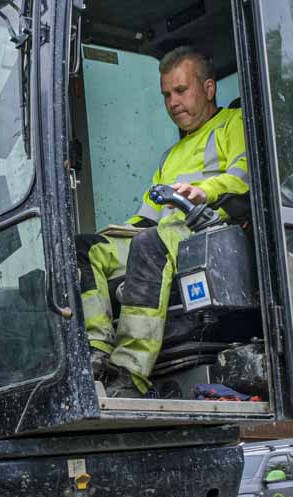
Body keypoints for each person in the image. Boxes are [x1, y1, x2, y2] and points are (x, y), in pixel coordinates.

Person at [75, 46, 250, 396]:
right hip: (162, 233)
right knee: (84, 248)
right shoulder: (169, 155)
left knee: (148, 244)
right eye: (167, 95)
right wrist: (113, 234)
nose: (172, 102)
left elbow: (244, 178)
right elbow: (146, 218)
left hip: (204, 230)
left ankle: (129, 373)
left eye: (181, 90)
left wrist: (203, 192)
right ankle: (94, 352)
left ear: (209, 88)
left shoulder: (234, 124)